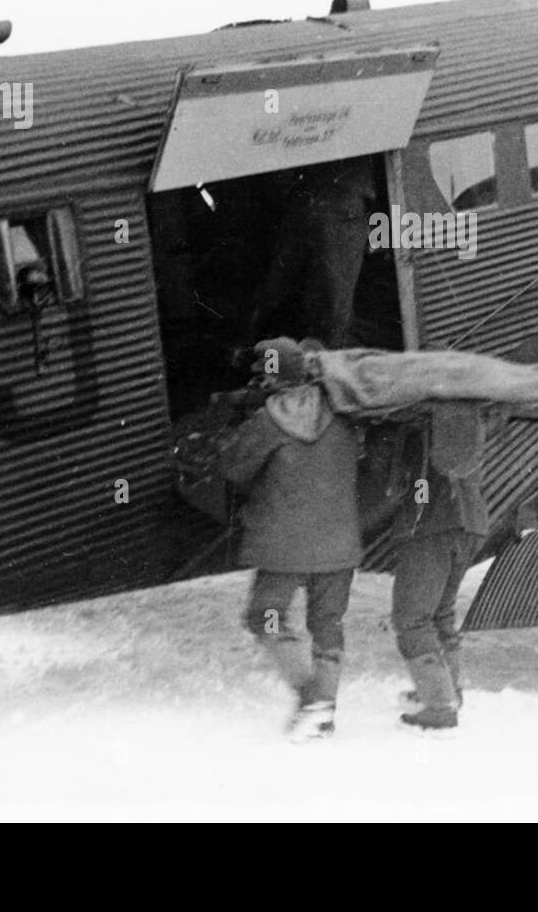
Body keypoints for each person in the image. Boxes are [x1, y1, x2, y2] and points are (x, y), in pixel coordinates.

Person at [216, 337, 363, 741]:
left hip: (285, 549)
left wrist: (236, 428)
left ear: (270, 376)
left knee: (266, 616)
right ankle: (323, 711)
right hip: (339, 543)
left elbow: (233, 469)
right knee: (328, 624)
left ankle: (312, 701)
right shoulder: (345, 412)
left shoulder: (267, 421)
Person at [389, 402, 490, 731]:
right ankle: (448, 691)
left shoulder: (418, 421)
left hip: (432, 525)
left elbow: (411, 484)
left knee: (412, 619)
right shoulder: (466, 416)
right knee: (440, 613)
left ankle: (439, 705)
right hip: (471, 523)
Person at [244, 156, 377, 350]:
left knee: (279, 288)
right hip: (340, 201)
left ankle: (249, 346)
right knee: (332, 303)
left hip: (313, 195)